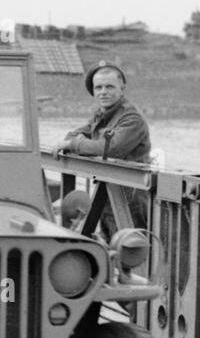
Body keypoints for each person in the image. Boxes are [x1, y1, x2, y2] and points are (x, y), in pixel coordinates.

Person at [56, 60, 151, 227]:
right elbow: (73, 135)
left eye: (110, 87)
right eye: (98, 88)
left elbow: (110, 149)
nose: (103, 92)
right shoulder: (101, 115)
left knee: (131, 248)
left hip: (130, 199)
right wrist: (73, 141)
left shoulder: (131, 119)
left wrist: (74, 145)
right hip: (108, 192)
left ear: (122, 89)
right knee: (109, 244)